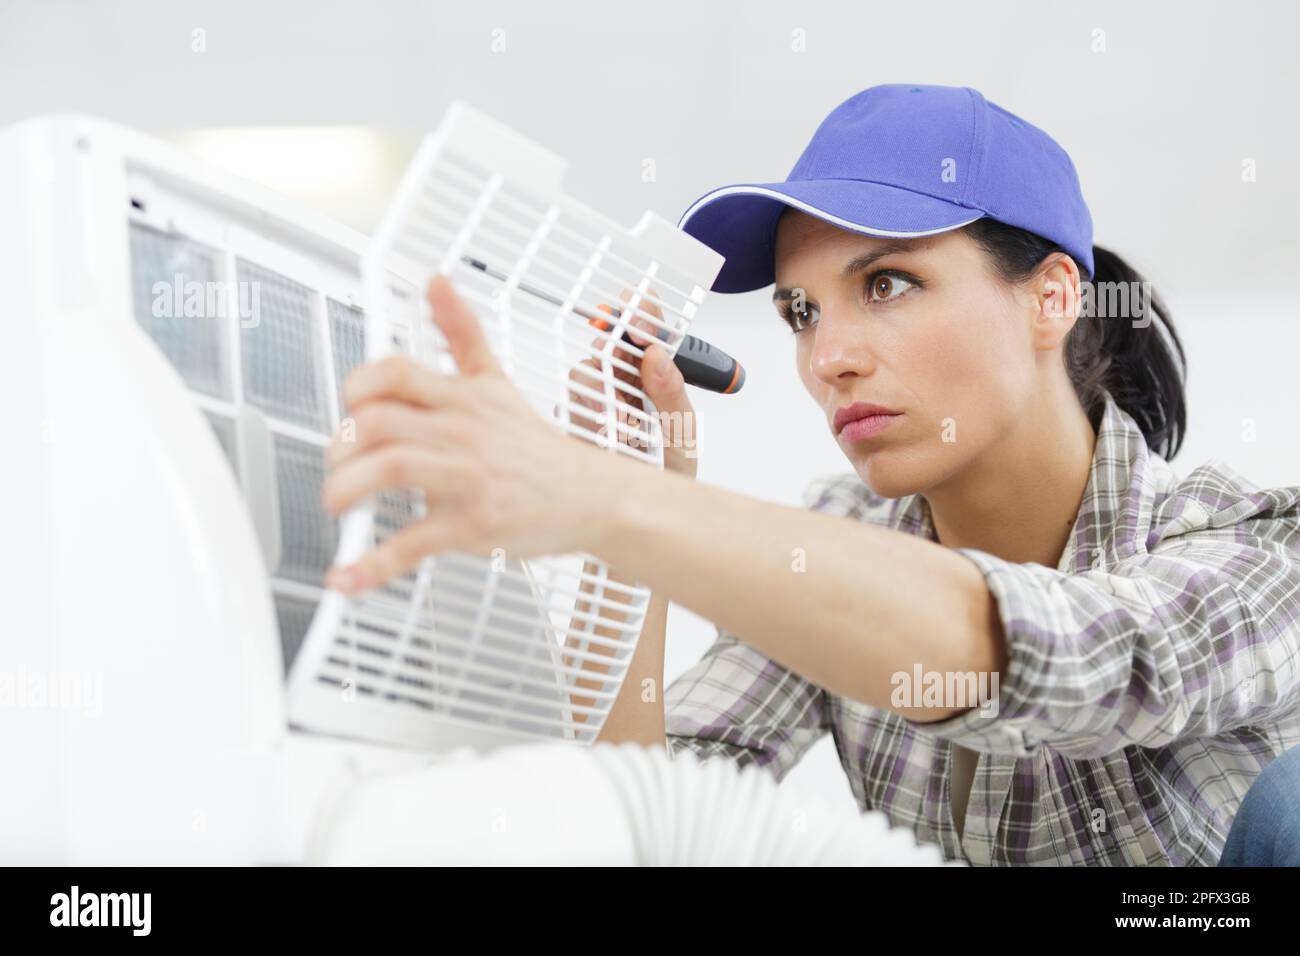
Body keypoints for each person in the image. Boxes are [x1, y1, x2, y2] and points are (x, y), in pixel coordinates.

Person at [319, 84, 1300, 865]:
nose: (828, 355)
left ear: (1049, 298)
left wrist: (617, 504)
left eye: (886, 283)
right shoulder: (842, 540)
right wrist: (633, 503)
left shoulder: (1251, 544)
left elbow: (1059, 656)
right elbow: (649, 812)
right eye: (800, 311)